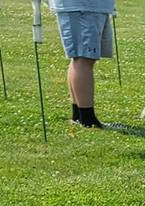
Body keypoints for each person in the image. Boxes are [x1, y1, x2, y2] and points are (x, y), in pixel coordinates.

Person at [51, 0, 116, 129]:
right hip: (82, 7)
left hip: (90, 7)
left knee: (83, 58)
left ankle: (79, 116)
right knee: (83, 57)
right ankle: (87, 119)